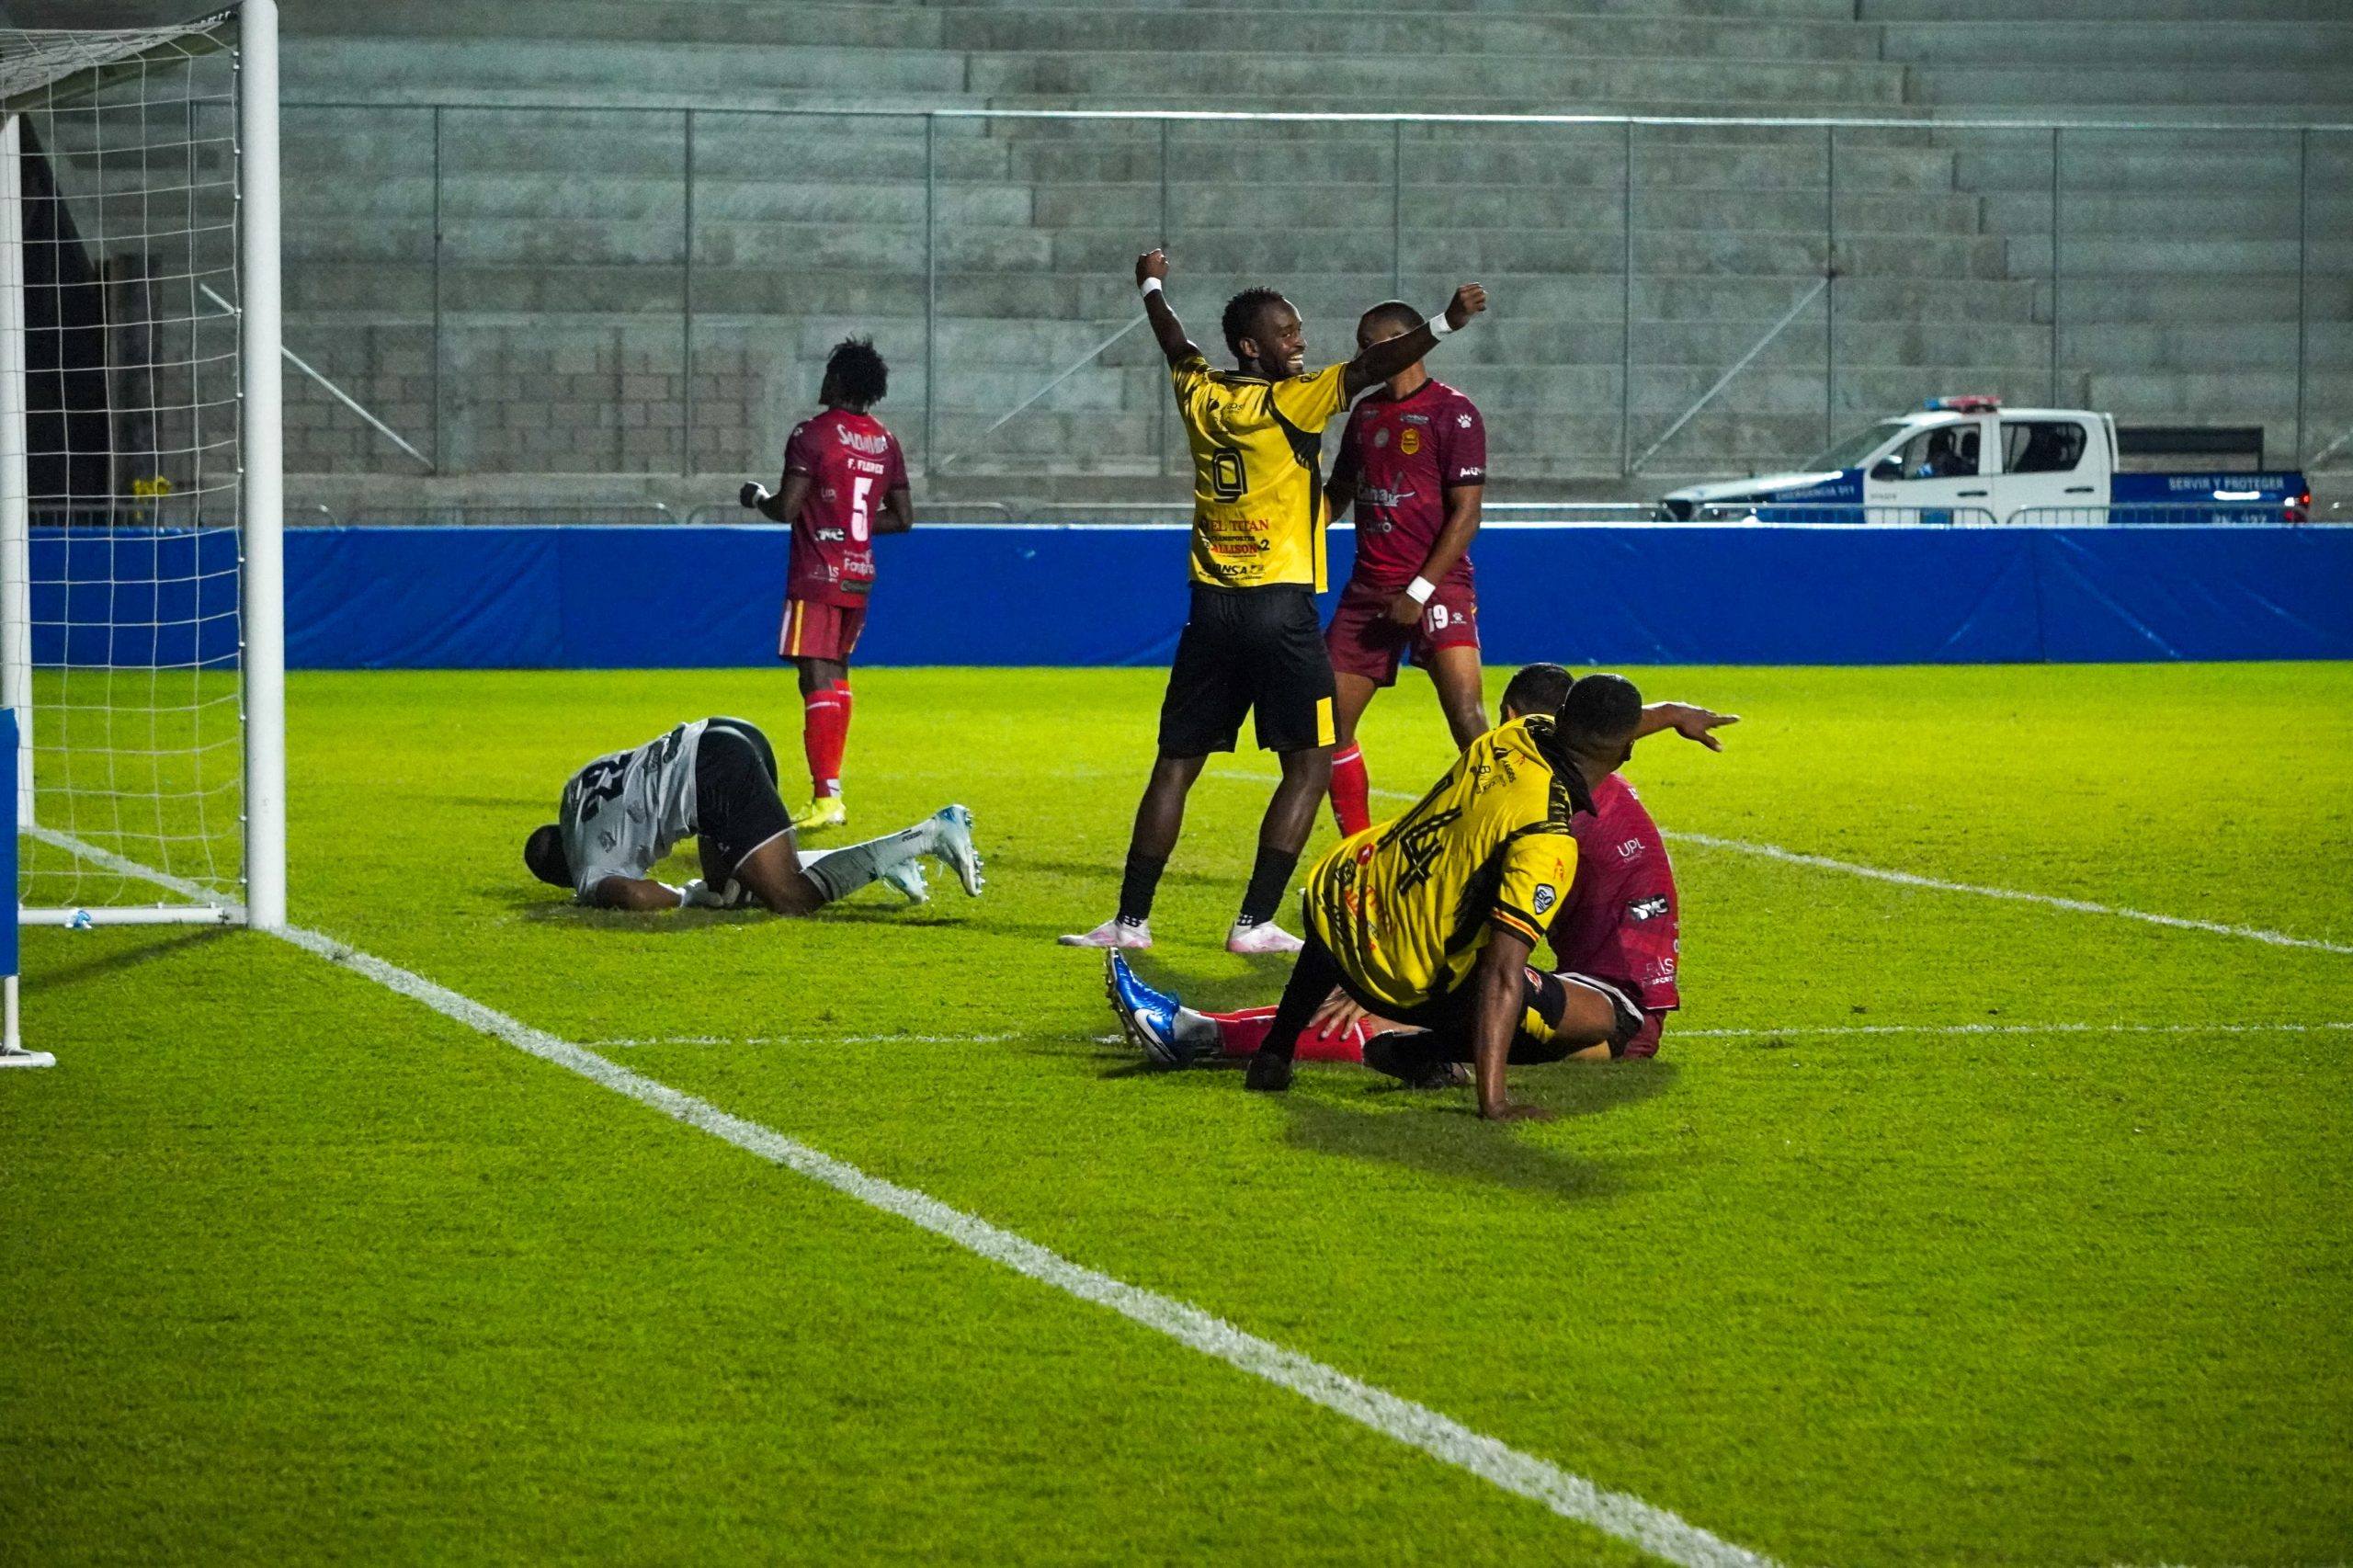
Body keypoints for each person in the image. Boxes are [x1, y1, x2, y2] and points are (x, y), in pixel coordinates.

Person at [1060, 248, 1489, 955]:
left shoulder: (1198, 391)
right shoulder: (1295, 397)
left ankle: (1129, 923)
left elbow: (1176, 340)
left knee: (1176, 765)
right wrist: (1445, 320)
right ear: (1252, 347)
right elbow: (1373, 368)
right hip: (1279, 610)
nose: (1302, 341)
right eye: (1288, 332)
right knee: (1312, 761)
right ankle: (1254, 923)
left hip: (1212, 608)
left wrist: (1152, 284)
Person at [1107, 662, 1701, 1075]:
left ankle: (1200, 1034)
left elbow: (1490, 955)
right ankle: (1418, 1052)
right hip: (1586, 985)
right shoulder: (1569, 766)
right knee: (1411, 988)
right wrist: (1671, 713)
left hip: (1618, 1015)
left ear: (1521, 717)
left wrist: (1373, 966)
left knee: (1395, 995)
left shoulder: (1551, 810)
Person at [1233, 673, 1654, 1119]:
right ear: (1626, 750)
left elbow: (1588, 728)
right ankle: (1418, 1054)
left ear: (1559, 717)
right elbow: (1502, 973)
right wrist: (1494, 1103)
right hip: (1398, 980)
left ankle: (1274, 1054)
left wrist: (1671, 715)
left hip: (1335, 896)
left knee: (1365, 883)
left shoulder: (1514, 734)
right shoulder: (1546, 839)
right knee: (1607, 1022)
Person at [1319, 301, 1490, 837]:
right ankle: (1361, 852)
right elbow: (1337, 497)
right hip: (1369, 590)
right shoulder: (1366, 415)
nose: (1360, 355)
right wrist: (1285, 529)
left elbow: (1467, 516)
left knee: (1466, 717)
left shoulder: (1453, 412)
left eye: (1369, 344)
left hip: (1437, 588)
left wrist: (1419, 589)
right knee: (1326, 727)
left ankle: (1501, 834)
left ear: (1403, 342)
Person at [522, 716, 982, 915]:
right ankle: (877, 859)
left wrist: (681, 897)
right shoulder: (574, 791)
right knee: (732, 893)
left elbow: (635, 897)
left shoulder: (587, 871)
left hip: (714, 773)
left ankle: (930, 833)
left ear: (563, 877)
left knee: (789, 897)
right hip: (720, 735)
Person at [739, 337, 913, 834]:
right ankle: (831, 793)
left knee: (814, 677)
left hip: (817, 570)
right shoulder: (885, 441)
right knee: (836, 675)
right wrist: (851, 524)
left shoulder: (811, 435)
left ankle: (826, 795)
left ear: (838, 380)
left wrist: (757, 498)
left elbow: (788, 509)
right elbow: (902, 518)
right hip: (859, 571)